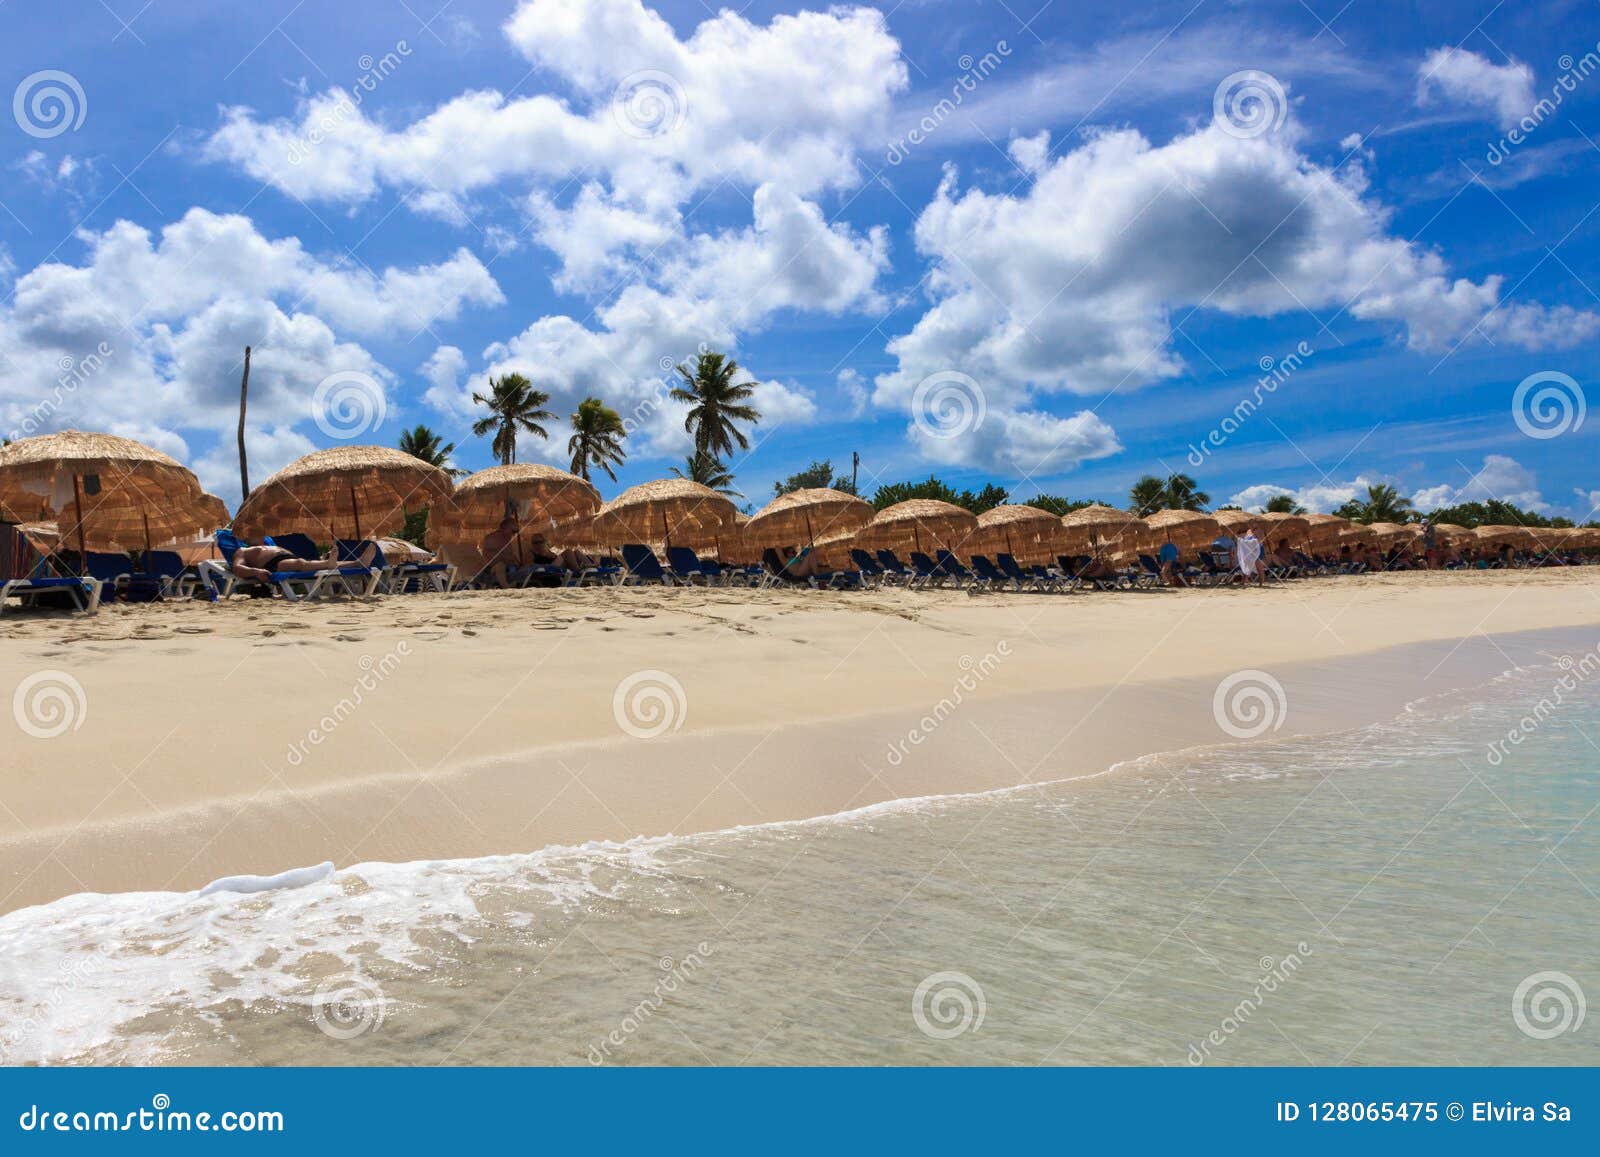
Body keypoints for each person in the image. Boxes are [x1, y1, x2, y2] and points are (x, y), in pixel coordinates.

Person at [231, 541, 377, 582]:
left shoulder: (268, 543)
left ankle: (358, 563)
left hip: (288, 559)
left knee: (305, 563)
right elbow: (237, 568)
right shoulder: (242, 551)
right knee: (301, 563)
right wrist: (256, 571)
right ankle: (328, 563)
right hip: (273, 565)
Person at [479, 517, 521, 588]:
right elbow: (486, 557)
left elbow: (511, 555)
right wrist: (503, 558)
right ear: (504, 528)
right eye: (513, 531)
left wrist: (518, 564)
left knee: (523, 567)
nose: (514, 535)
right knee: (500, 565)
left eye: (515, 532)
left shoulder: (507, 540)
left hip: (509, 567)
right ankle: (506, 586)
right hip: (492, 569)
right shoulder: (491, 539)